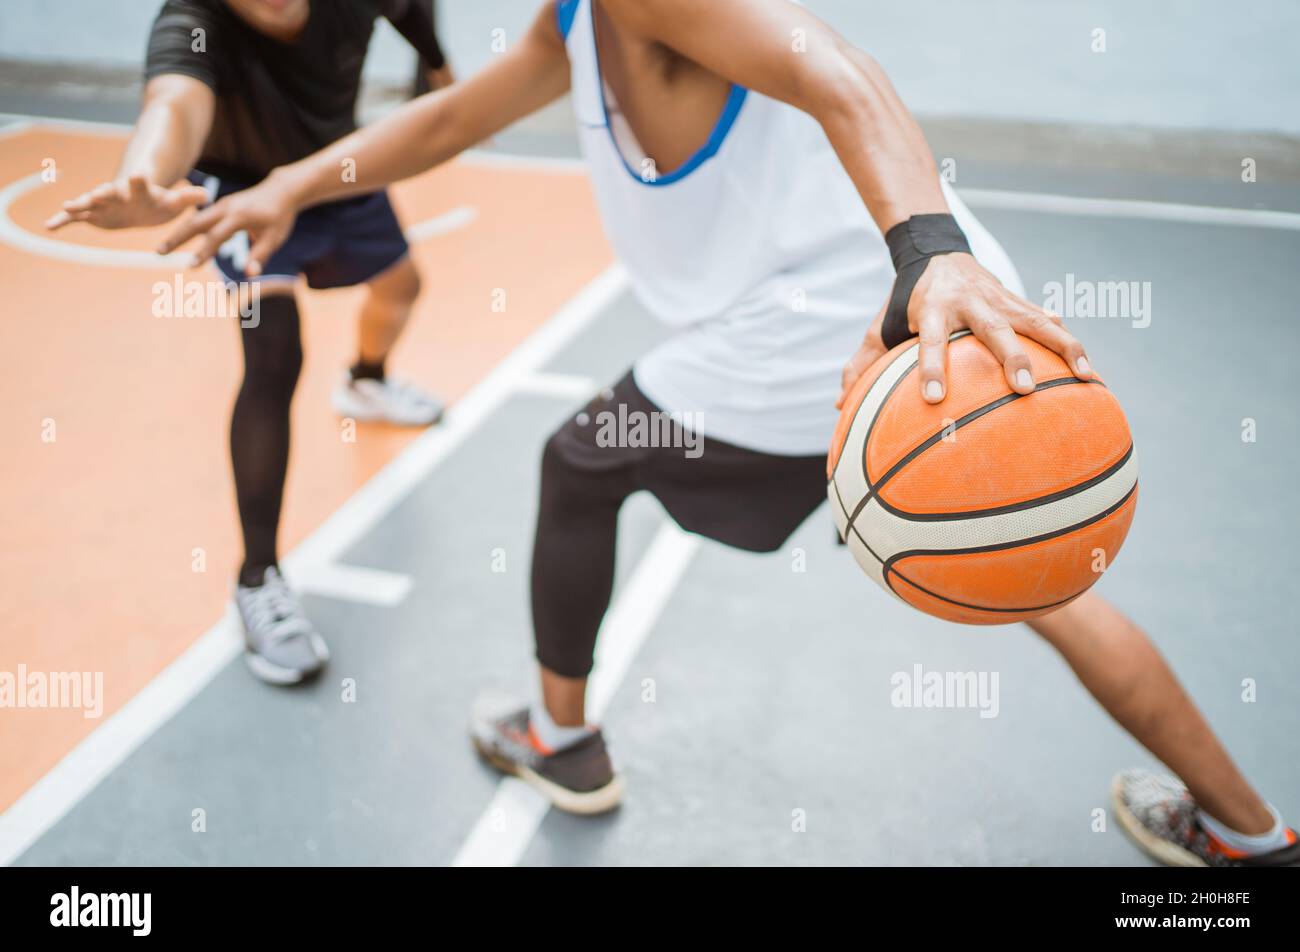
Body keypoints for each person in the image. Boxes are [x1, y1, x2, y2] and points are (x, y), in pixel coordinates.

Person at [154, 0, 1296, 865]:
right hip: (906, 320)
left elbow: (836, 68)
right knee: (1042, 580)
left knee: (577, 461)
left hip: (864, 317)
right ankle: (1248, 834)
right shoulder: (575, 20)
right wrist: (288, 187)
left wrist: (925, 249)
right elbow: (451, 116)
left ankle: (559, 739)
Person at [46, 0, 453, 685]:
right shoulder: (192, 20)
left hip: (336, 171)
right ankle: (257, 578)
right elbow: (173, 106)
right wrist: (147, 177)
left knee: (405, 287)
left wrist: (438, 69)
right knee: (275, 351)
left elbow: (414, 11)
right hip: (243, 191)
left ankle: (365, 379)